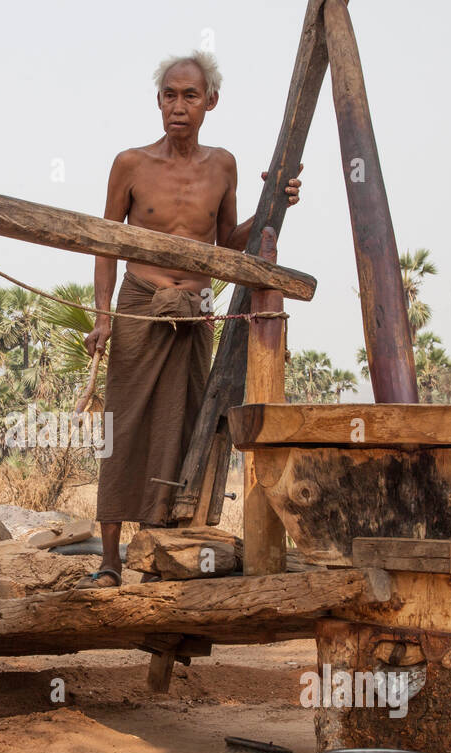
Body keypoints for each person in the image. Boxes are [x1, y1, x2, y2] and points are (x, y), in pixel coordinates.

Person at [78, 50, 301, 588]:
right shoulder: (130, 163)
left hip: (197, 313)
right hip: (138, 305)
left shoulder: (222, 165)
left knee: (184, 426)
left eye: (190, 96)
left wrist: (276, 205)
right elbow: (105, 244)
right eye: (170, 95)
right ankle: (109, 560)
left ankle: (167, 552)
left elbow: (229, 244)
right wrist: (103, 315)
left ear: (211, 103)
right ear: (158, 101)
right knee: (124, 426)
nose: (179, 106)